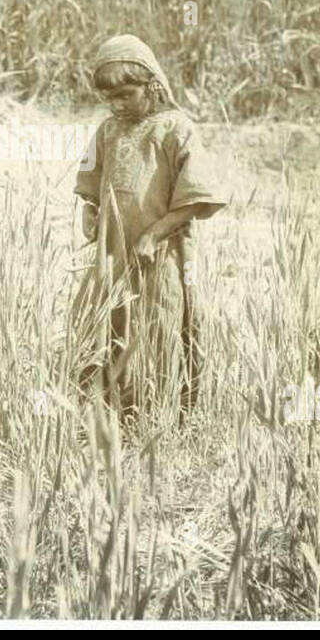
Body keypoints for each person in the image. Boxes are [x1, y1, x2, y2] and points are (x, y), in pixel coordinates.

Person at [71, 35, 227, 421]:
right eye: (109, 98)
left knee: (158, 323)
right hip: (113, 253)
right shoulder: (107, 131)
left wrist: (156, 233)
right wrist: (89, 211)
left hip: (160, 255)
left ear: (153, 86)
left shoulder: (176, 129)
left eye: (126, 95)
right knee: (106, 320)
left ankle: (155, 414)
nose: (117, 105)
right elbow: (91, 185)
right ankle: (105, 410)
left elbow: (196, 198)